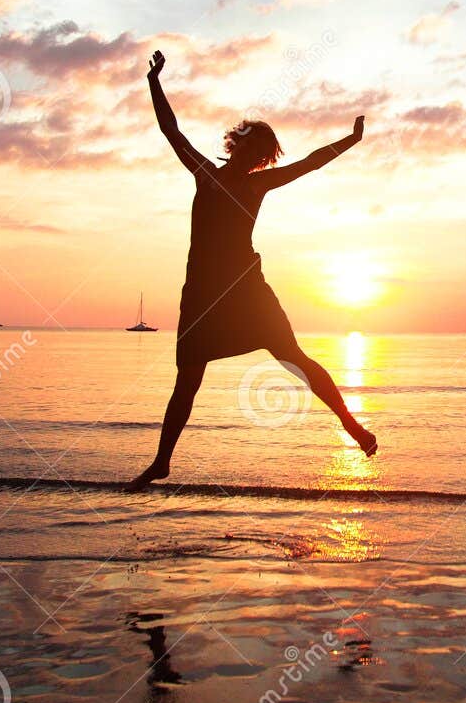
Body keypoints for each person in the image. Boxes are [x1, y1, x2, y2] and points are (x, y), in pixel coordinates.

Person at [124, 49, 377, 491]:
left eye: (259, 151)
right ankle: (162, 462)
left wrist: (350, 141)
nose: (251, 154)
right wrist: (154, 81)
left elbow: (310, 163)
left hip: (246, 291)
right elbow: (170, 129)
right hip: (202, 293)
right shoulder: (205, 173)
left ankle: (353, 428)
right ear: (235, 144)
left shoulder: (259, 183)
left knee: (293, 358)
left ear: (261, 157)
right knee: (188, 379)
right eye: (246, 145)